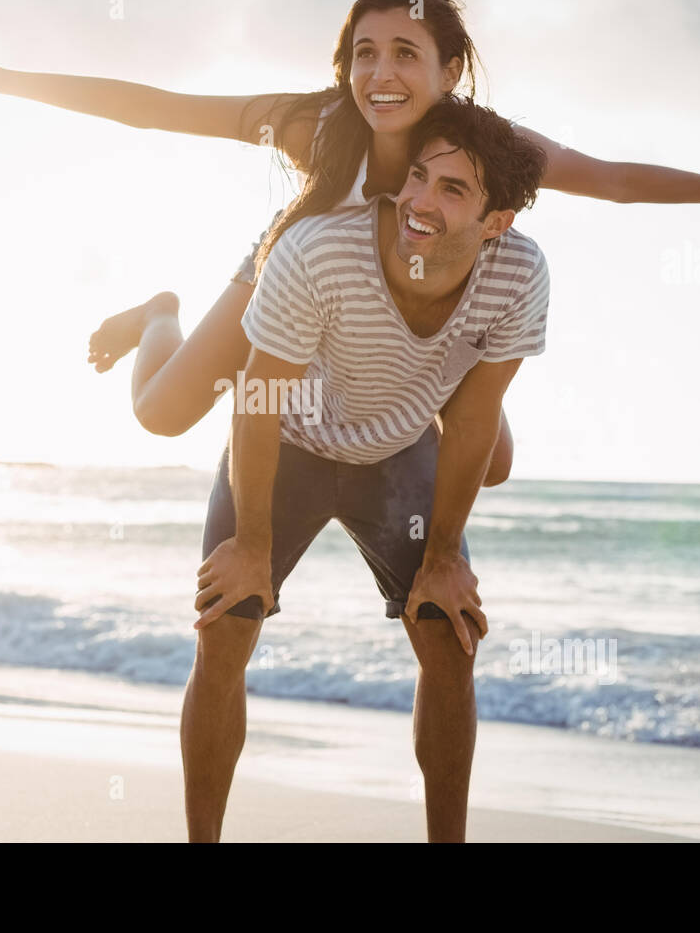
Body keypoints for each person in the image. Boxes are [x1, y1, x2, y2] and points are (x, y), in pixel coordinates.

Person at [0, 0, 700, 489]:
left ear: (448, 68)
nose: (381, 74)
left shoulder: (489, 150)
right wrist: (0, 80)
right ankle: (160, 311)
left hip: (412, 309)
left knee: (495, 461)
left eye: (405, 55)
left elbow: (617, 180)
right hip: (290, 278)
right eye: (364, 52)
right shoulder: (313, 126)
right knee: (162, 413)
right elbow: (155, 108)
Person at [187, 96, 547, 842]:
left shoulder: (518, 272)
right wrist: (251, 542)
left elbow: (475, 418)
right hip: (285, 438)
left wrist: (443, 555)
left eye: (454, 190)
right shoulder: (317, 250)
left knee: (449, 632)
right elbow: (257, 394)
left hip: (397, 445)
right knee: (227, 623)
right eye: (418, 176)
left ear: (497, 221)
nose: (420, 200)